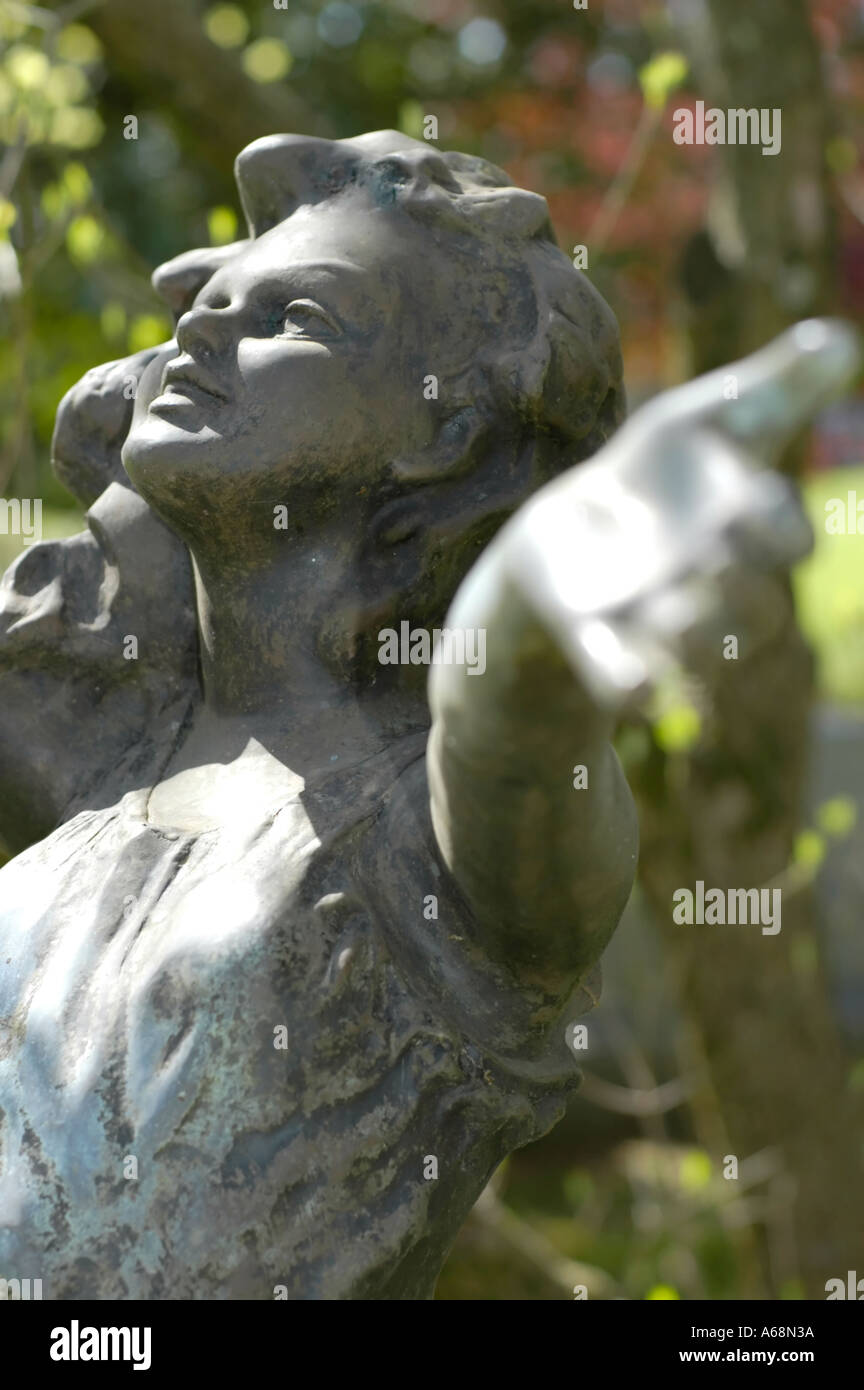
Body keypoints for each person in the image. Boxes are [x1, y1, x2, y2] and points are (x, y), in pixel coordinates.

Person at [0, 131, 855, 1300]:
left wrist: (534, 596)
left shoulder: (435, 842)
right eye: (215, 302)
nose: (204, 329)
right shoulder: (99, 749)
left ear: (444, 431)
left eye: (297, 317)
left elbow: (508, 729)